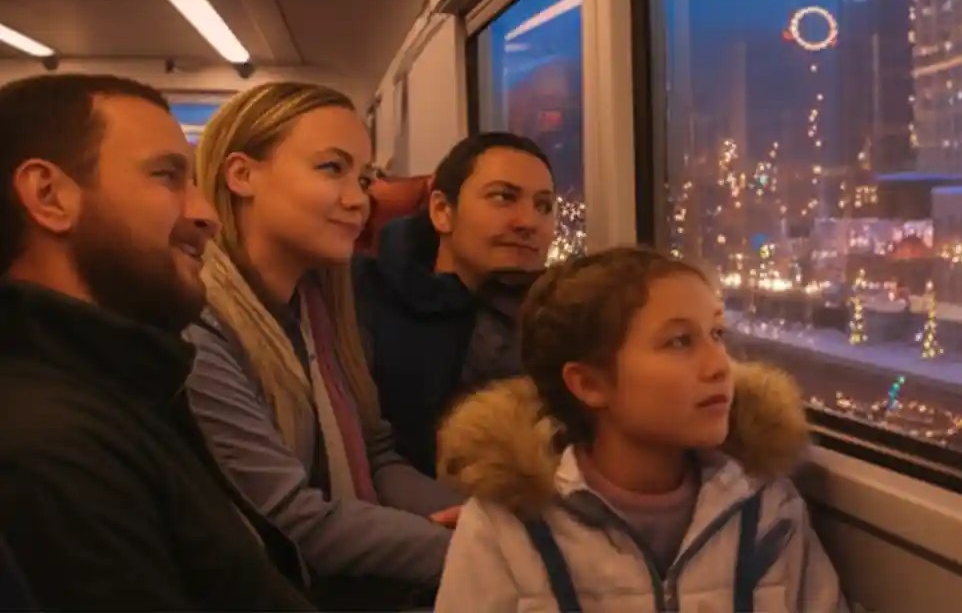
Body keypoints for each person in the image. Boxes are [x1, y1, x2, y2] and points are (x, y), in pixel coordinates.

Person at [0, 73, 313, 610]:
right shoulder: (54, 447)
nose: (205, 215)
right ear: (49, 197)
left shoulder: (124, 381)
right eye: (167, 175)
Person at [433, 247, 848, 611]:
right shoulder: (508, 527)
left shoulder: (764, 510)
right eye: (680, 342)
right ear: (590, 384)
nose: (720, 364)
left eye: (716, 334)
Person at [182, 82, 458, 609]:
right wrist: (487, 550)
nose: (359, 199)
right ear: (241, 175)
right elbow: (292, 519)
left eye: (365, 178)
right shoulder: (198, 322)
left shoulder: (319, 307)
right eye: (332, 168)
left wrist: (479, 517)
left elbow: (375, 458)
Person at [353, 132, 556, 476]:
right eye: (504, 198)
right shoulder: (364, 298)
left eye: (544, 206)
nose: (529, 222)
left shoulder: (558, 320)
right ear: (442, 211)